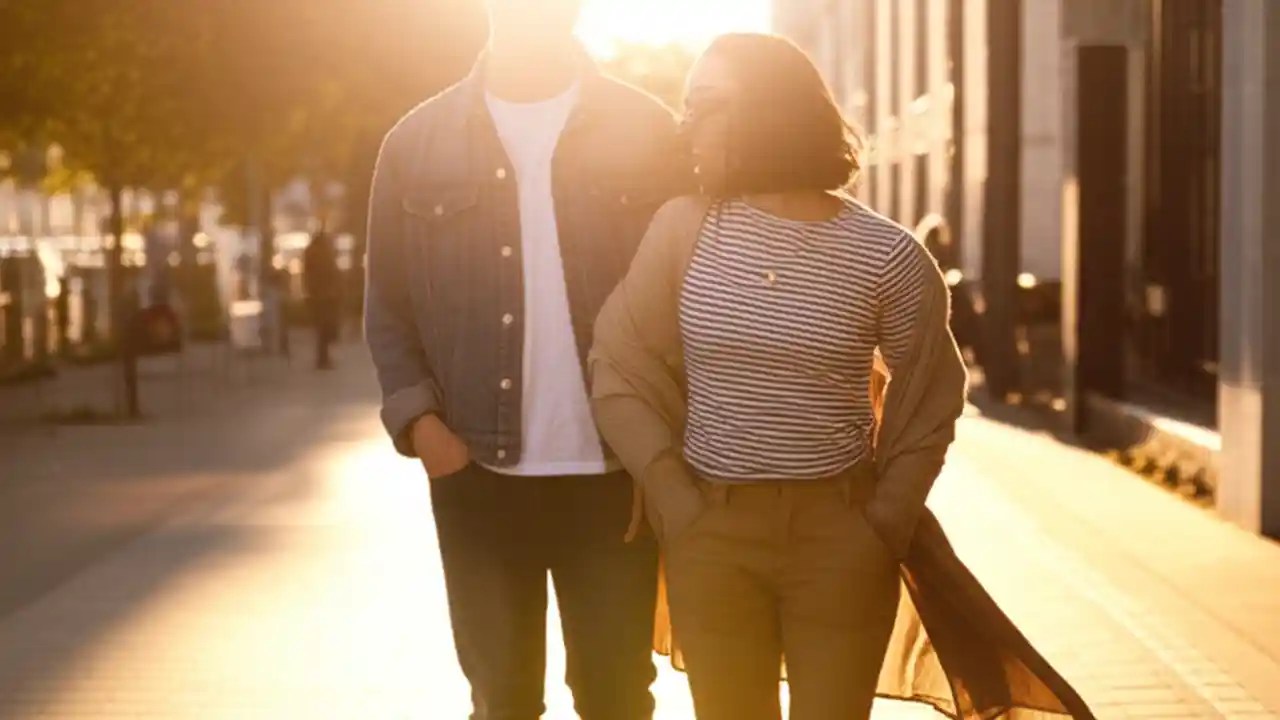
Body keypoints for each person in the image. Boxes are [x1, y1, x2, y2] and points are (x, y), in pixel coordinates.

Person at [590, 34, 1094, 720]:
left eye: (705, 104)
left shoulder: (886, 254)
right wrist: (671, 492)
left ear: (769, 112)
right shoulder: (684, 229)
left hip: (841, 540)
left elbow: (933, 399)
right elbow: (618, 360)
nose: (687, 125)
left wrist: (884, 521)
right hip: (710, 530)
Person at [362, 1, 688, 717]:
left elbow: (689, 290)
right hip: (475, 474)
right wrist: (424, 428)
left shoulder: (649, 130)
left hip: (615, 475)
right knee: (502, 699)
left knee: (616, 696)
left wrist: (665, 445)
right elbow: (388, 306)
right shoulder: (418, 142)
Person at [304, 230, 339, 368]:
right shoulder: (324, 253)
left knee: (320, 328)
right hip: (326, 296)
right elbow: (332, 274)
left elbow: (307, 275)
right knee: (324, 328)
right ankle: (323, 358)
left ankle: (322, 357)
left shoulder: (310, 253)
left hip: (316, 295)